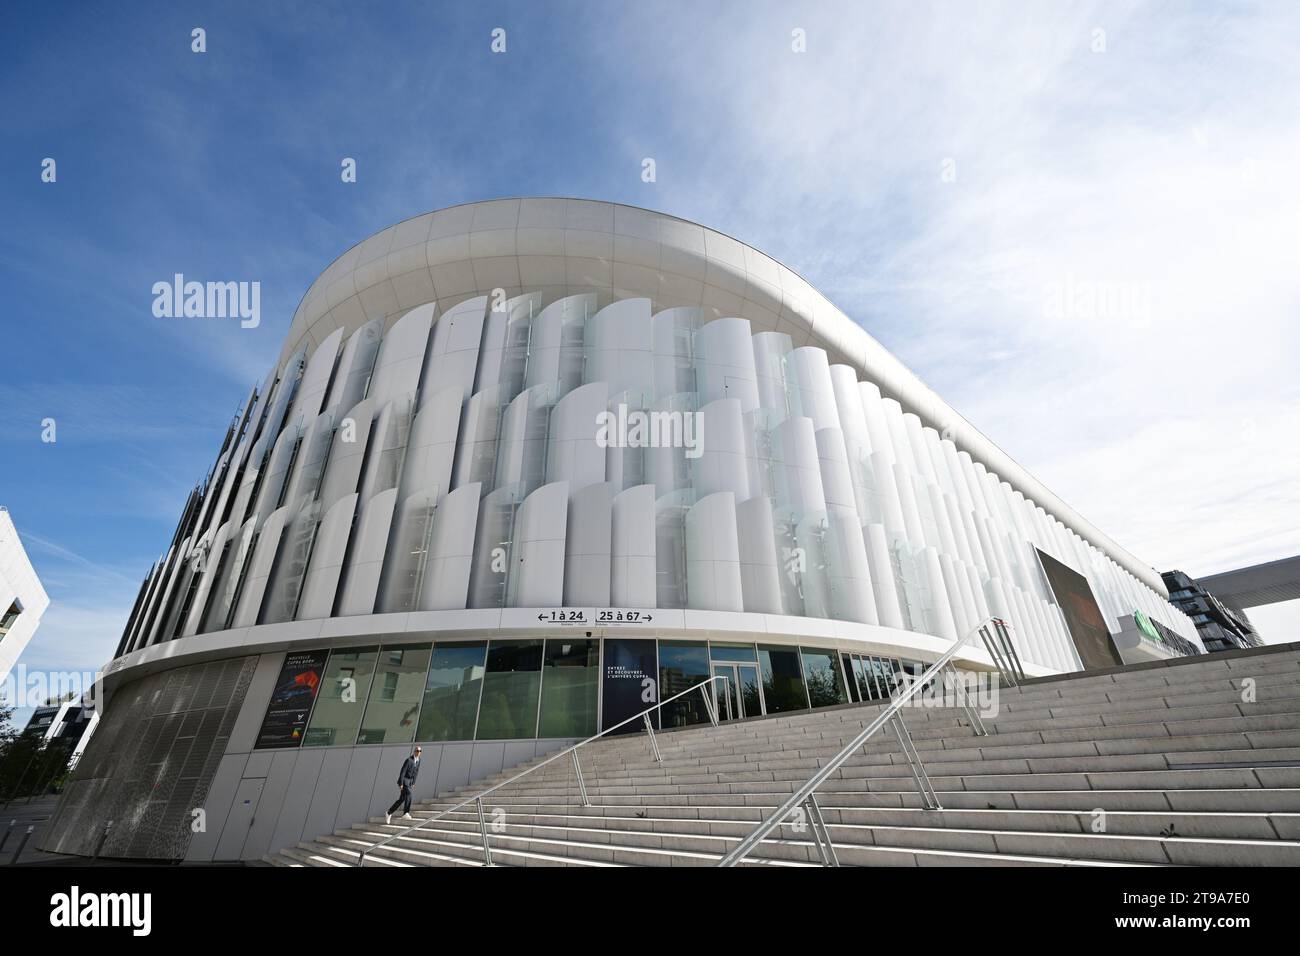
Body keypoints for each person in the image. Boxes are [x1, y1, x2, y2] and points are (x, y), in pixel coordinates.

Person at [385, 746, 422, 824]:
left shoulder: (419, 760)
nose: (418, 752)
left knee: (402, 799)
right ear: (414, 751)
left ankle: (389, 812)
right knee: (409, 794)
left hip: (409, 782)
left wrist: (414, 782)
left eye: (420, 751)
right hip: (404, 780)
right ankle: (406, 813)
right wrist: (401, 783)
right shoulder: (408, 760)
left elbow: (416, 772)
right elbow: (403, 771)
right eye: (417, 751)